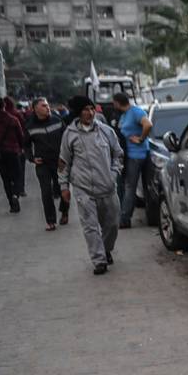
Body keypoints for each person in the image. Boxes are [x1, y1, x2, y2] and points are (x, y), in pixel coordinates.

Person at [59, 95, 123, 275]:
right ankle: (99, 260)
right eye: (86, 109)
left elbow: (118, 154)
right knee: (90, 226)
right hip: (83, 188)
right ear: (79, 113)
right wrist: (64, 186)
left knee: (112, 224)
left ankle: (106, 248)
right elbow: (63, 162)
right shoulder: (70, 135)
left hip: (108, 187)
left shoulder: (106, 131)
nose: (90, 112)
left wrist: (113, 174)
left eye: (92, 109)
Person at [26, 97, 68, 230]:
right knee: (46, 191)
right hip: (42, 163)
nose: (47, 107)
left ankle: (64, 212)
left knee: (62, 188)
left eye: (48, 105)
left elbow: (68, 139)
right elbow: (26, 145)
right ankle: (50, 221)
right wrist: (31, 158)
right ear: (35, 109)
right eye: (43, 106)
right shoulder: (30, 126)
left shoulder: (57, 120)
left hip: (59, 161)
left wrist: (68, 156)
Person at [112, 91, 152, 228]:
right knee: (128, 186)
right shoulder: (124, 115)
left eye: (113, 103)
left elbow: (148, 125)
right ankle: (127, 216)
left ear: (117, 103)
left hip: (137, 155)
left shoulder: (136, 112)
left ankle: (124, 219)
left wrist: (140, 138)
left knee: (130, 187)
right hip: (129, 155)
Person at [0, 96, 25, 212]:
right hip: (13, 151)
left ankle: (11, 204)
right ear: (4, 105)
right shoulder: (13, 120)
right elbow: (20, 136)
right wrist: (22, 148)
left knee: (5, 178)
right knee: (17, 175)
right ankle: (15, 195)